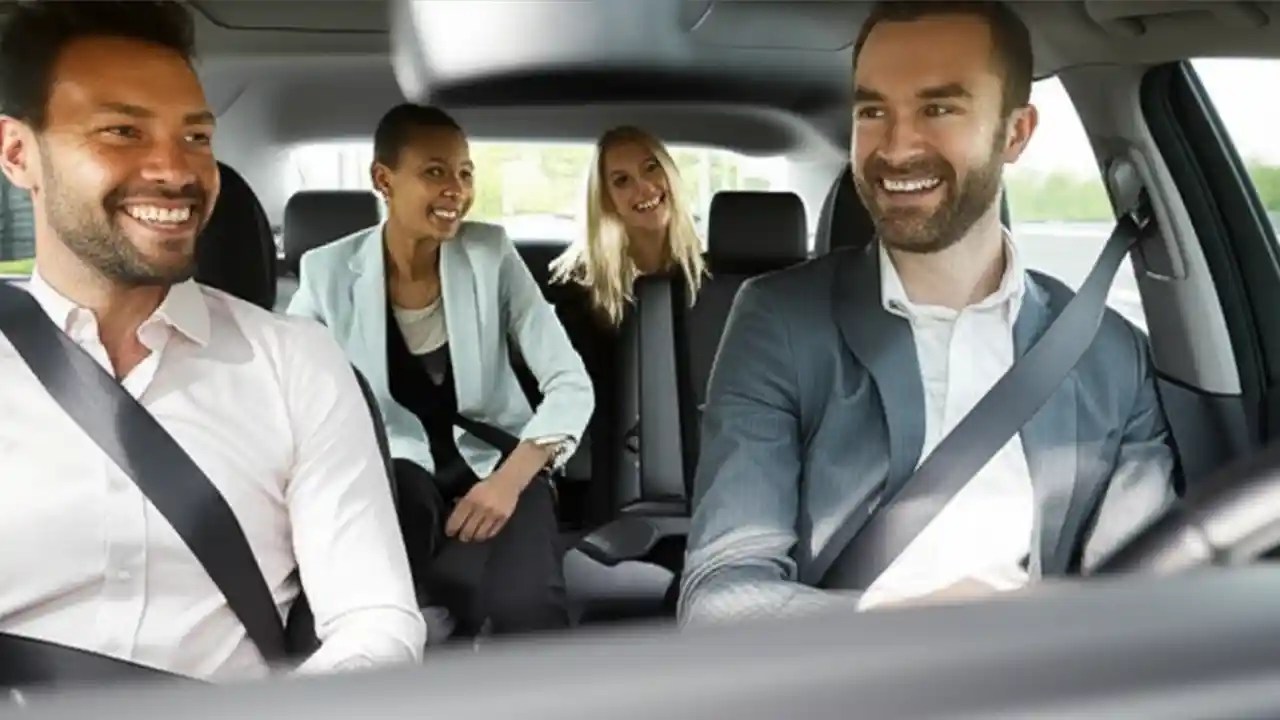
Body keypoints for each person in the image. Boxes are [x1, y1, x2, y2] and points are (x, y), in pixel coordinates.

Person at [679, 0, 1179, 625]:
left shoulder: (1108, 353)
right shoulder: (779, 322)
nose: (896, 146)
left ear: (1015, 133)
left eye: (938, 108)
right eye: (872, 111)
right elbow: (719, 595)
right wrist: (898, 630)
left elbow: (1146, 597)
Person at [0, 1, 424, 680]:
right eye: (121, 131)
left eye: (196, 138)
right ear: (19, 154)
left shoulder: (295, 363)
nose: (175, 170)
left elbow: (375, 621)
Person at [287, 104, 593, 637]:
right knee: (345, 609)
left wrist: (509, 482)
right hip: (392, 468)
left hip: (501, 462)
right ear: (383, 179)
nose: (456, 188)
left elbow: (570, 383)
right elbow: (286, 388)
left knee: (528, 611)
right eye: (435, 172)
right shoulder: (327, 271)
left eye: (465, 172)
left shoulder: (491, 254)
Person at [549, 125, 706, 328]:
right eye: (622, 180)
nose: (646, 188)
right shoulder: (580, 288)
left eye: (651, 167)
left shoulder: (712, 275)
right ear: (605, 199)